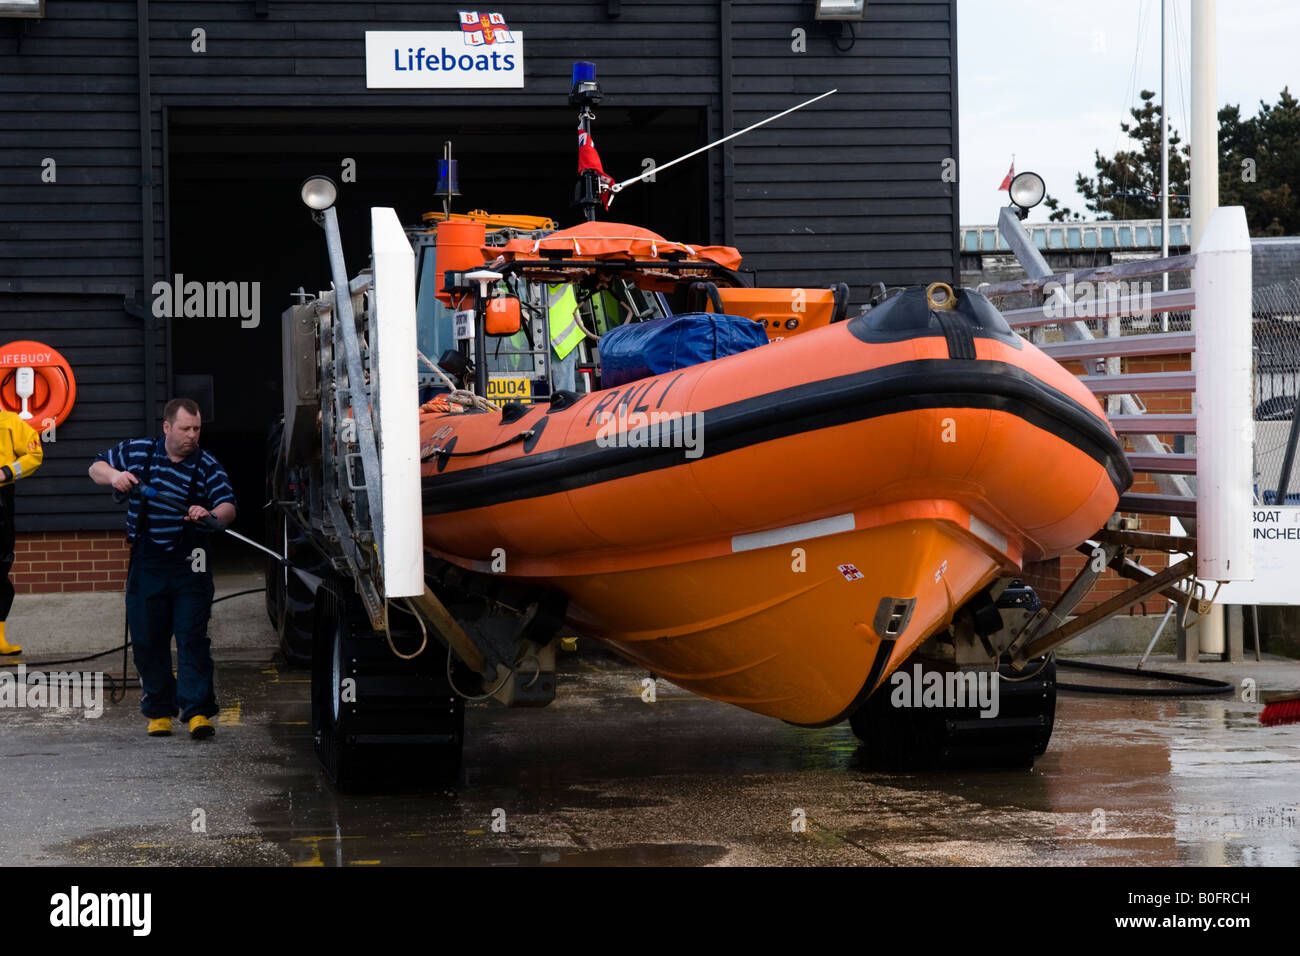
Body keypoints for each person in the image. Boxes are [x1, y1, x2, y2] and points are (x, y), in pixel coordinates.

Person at [88, 398, 236, 739]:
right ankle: (159, 712)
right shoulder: (139, 452)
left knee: (191, 636)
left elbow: (228, 507)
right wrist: (116, 477)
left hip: (191, 561)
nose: (192, 436)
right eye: (185, 428)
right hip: (147, 559)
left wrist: (211, 514)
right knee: (147, 637)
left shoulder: (207, 464)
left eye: (197, 429)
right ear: (167, 427)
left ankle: (198, 712)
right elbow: (95, 467)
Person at [0, 408, 44, 655]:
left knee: (0, 565)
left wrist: (5, 471)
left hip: (1, 498)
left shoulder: (9, 421)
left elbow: (34, 453)